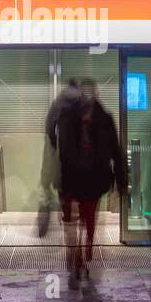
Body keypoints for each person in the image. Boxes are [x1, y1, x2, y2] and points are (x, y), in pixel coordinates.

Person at [54, 78, 125, 280]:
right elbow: (62, 149)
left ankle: (86, 250)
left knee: (89, 219)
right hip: (72, 178)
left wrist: (120, 182)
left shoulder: (104, 119)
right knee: (72, 221)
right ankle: (77, 255)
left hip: (94, 178)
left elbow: (115, 151)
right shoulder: (68, 118)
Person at [36, 80, 81, 238]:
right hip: (77, 161)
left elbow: (49, 127)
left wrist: (55, 143)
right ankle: (72, 223)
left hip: (58, 158)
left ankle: (62, 215)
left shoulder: (57, 103)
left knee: (60, 190)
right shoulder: (80, 104)